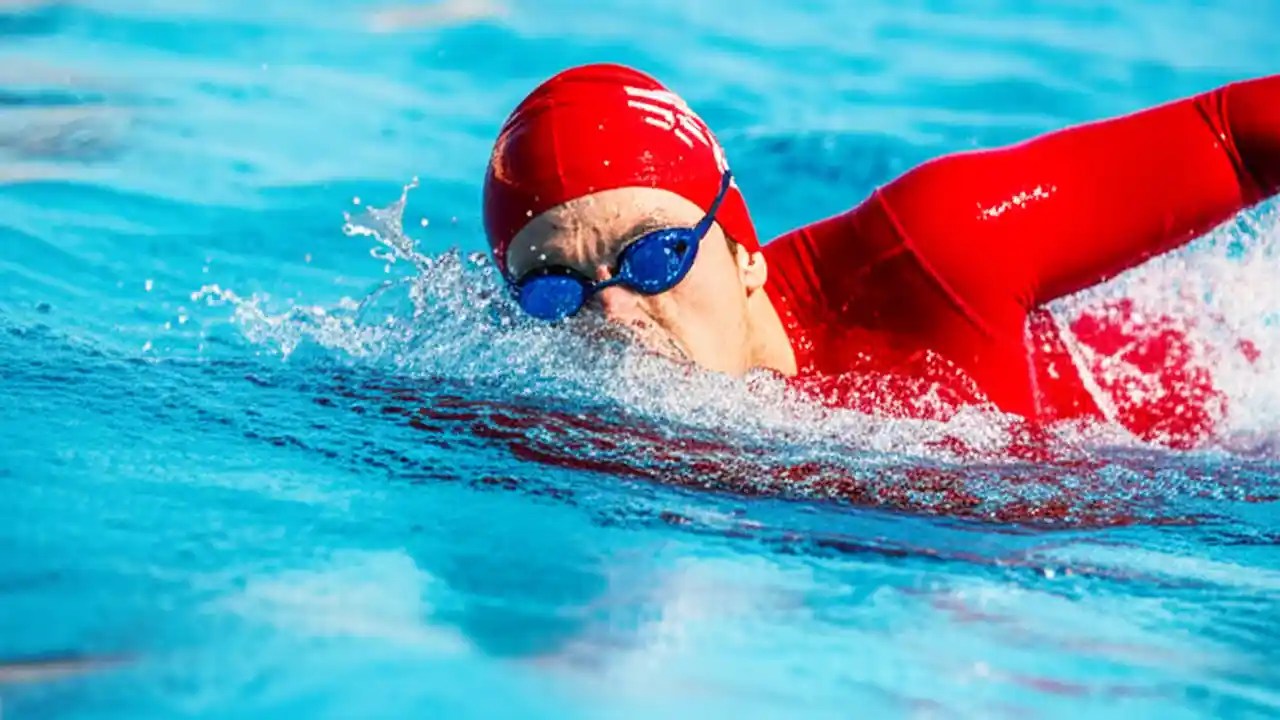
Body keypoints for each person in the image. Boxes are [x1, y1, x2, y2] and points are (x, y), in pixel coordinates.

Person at [482, 63, 1280, 447]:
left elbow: (1234, 139)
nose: (612, 309)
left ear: (745, 252)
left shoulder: (935, 248)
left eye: (655, 254)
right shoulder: (565, 431)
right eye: (555, 290)